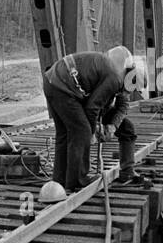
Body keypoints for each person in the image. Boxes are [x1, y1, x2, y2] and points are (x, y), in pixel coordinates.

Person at [42, 45, 151, 191]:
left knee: (65, 135)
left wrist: (112, 126)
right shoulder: (114, 78)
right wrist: (93, 132)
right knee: (82, 132)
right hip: (64, 86)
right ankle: (77, 182)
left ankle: (60, 181)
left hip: (52, 81)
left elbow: (122, 105)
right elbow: (92, 108)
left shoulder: (117, 78)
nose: (131, 92)